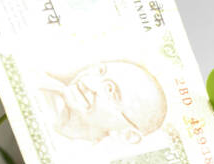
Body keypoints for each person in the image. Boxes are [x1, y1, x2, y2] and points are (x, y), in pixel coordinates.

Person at [39, 60, 167, 145]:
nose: (91, 82)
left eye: (111, 91)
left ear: (128, 135)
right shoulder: (38, 82)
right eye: (100, 71)